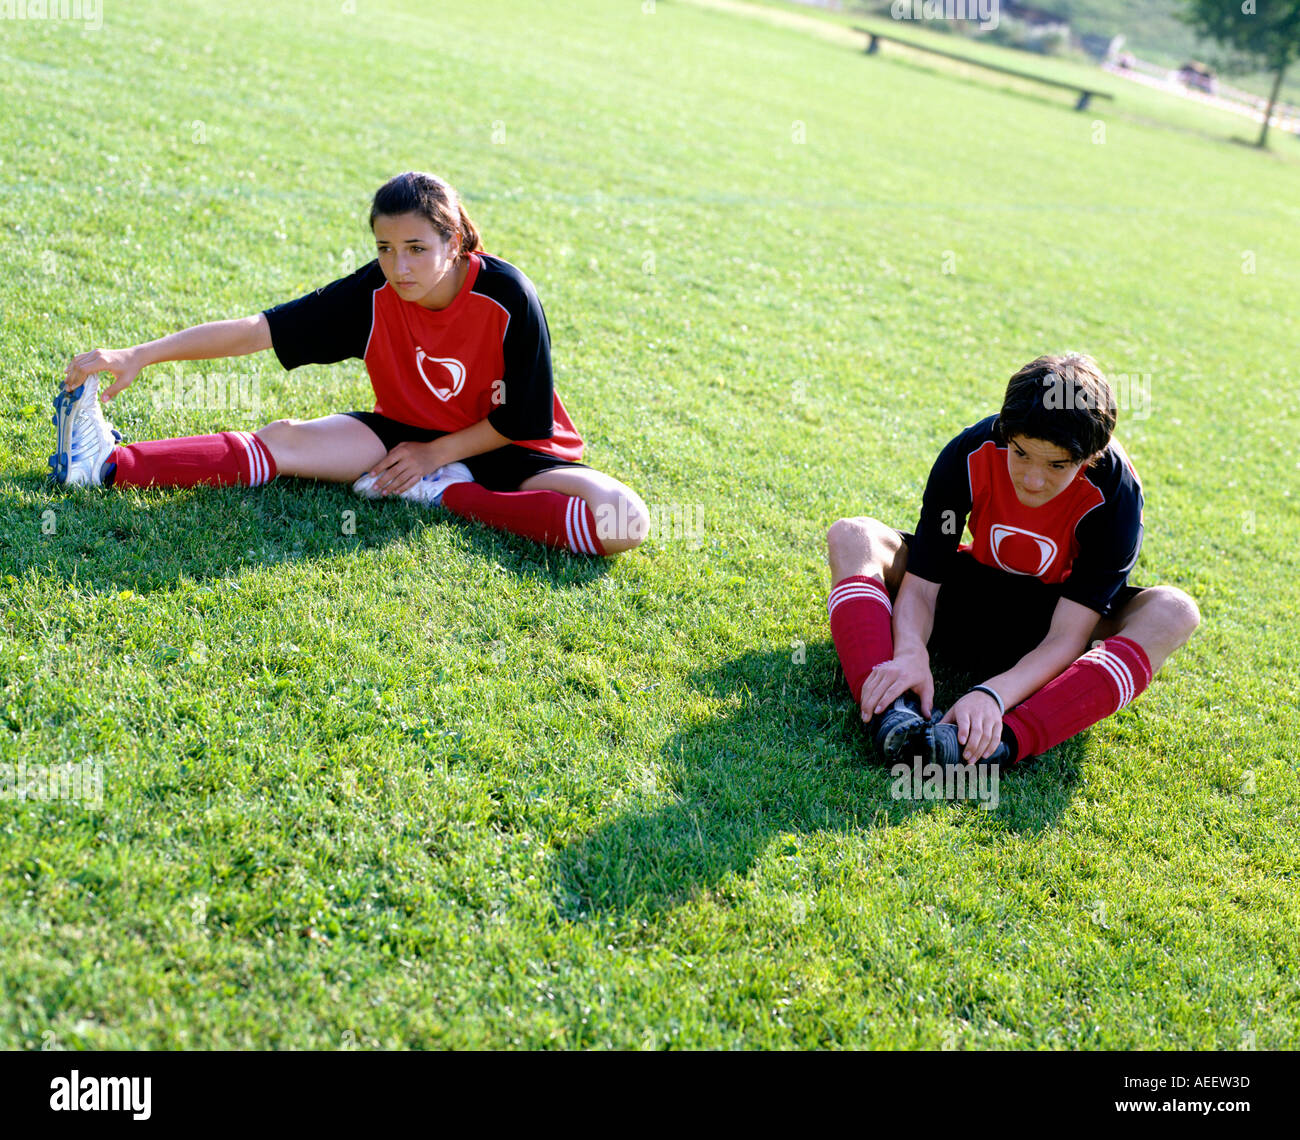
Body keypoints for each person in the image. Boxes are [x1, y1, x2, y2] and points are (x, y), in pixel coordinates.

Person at [50, 171, 648, 556]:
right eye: (386, 249)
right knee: (281, 440)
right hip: (402, 435)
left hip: (513, 447)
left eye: (417, 249)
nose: (400, 266)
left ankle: (446, 496)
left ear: (455, 244)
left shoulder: (508, 295)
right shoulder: (374, 293)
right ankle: (104, 463)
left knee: (624, 522)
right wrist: (141, 355)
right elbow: (261, 330)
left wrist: (435, 461)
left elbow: (524, 419)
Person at [825, 353, 1200, 768]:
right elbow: (923, 585)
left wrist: (993, 694)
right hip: (967, 601)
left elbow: (1068, 636)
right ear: (1006, 431)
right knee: (852, 535)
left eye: (1057, 465)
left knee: (1175, 611)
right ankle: (890, 709)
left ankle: (1002, 742)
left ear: (1089, 457)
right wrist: (911, 650)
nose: (1033, 479)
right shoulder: (970, 450)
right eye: (1020, 454)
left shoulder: (1115, 491)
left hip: (1053, 631)